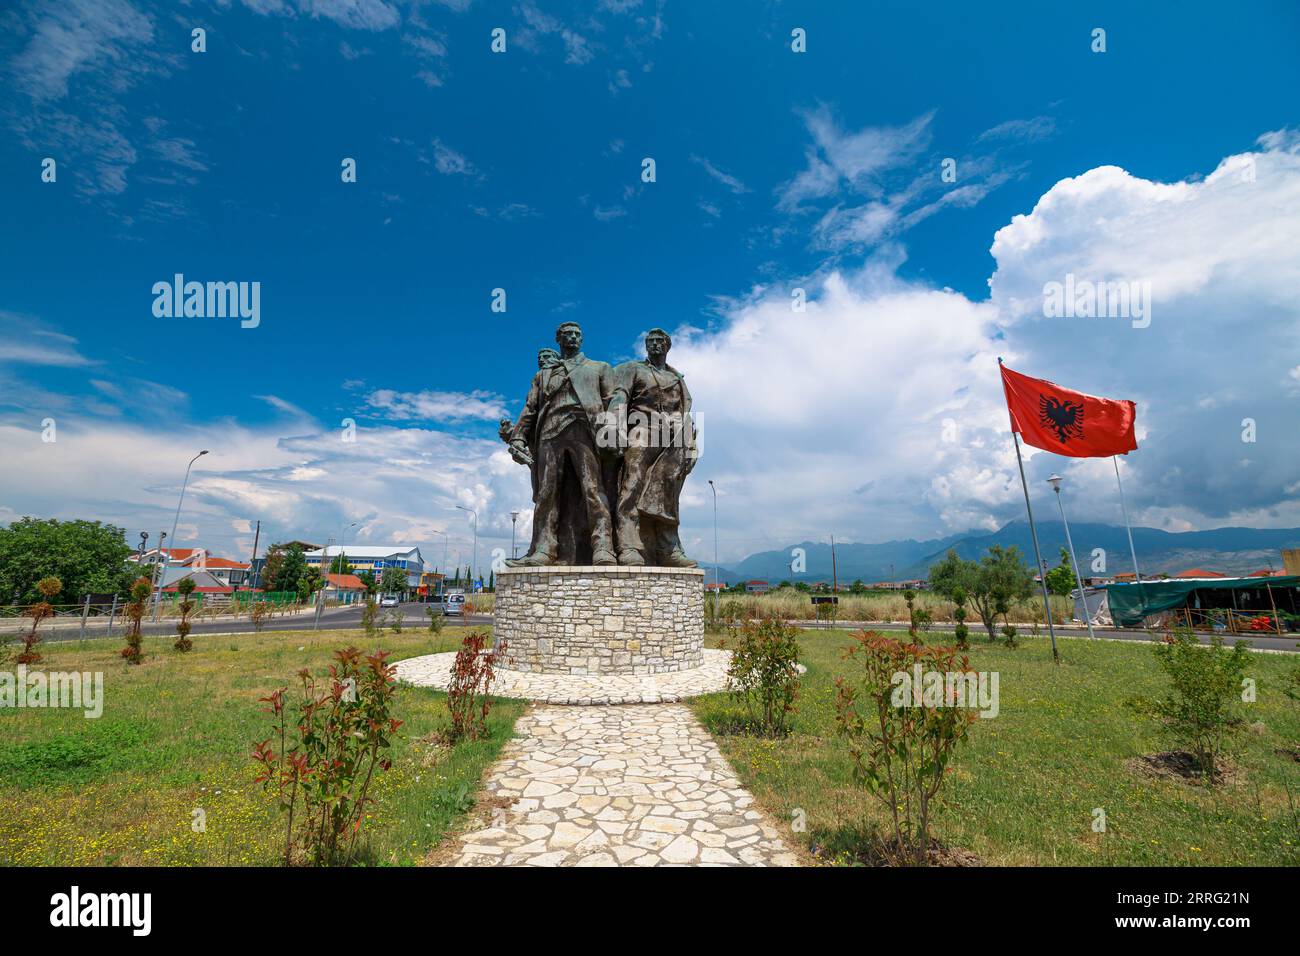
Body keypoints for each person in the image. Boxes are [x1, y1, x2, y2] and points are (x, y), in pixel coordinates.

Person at [505, 323, 617, 566]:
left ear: (582, 339)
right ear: (558, 339)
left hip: (585, 431)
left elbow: (613, 402)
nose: (573, 338)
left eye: (577, 334)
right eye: (567, 334)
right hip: (550, 433)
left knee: (593, 489)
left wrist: (611, 433)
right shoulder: (543, 375)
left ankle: (603, 548)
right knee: (547, 493)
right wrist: (517, 437)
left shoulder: (599, 368)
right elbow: (530, 409)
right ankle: (544, 549)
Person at [608, 328, 697, 567]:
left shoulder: (677, 378)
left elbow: (685, 414)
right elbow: (620, 398)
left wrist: (690, 443)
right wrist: (615, 427)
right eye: (650, 341)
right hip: (642, 429)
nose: (655, 345)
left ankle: (668, 547)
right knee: (633, 481)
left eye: (659, 341)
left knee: (669, 488)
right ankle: (628, 544)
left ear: (668, 346)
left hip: (673, 437)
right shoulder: (633, 369)